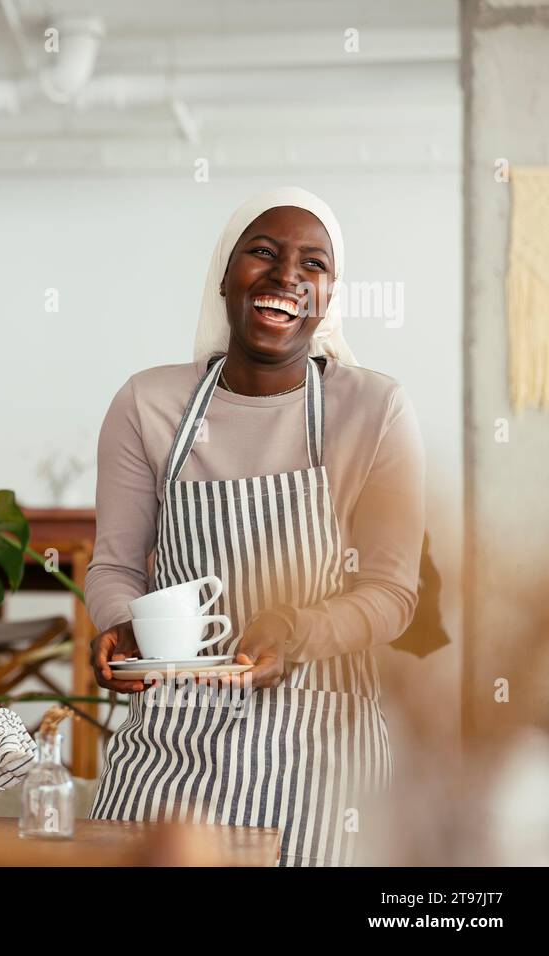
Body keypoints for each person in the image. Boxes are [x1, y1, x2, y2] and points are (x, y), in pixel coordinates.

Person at [85, 188, 426, 866]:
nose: (285, 277)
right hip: (171, 753)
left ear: (331, 295)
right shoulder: (148, 403)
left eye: (314, 264)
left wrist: (297, 631)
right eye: (262, 253)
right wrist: (124, 627)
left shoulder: (376, 408)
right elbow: (116, 566)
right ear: (224, 274)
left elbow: (392, 593)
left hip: (325, 763)